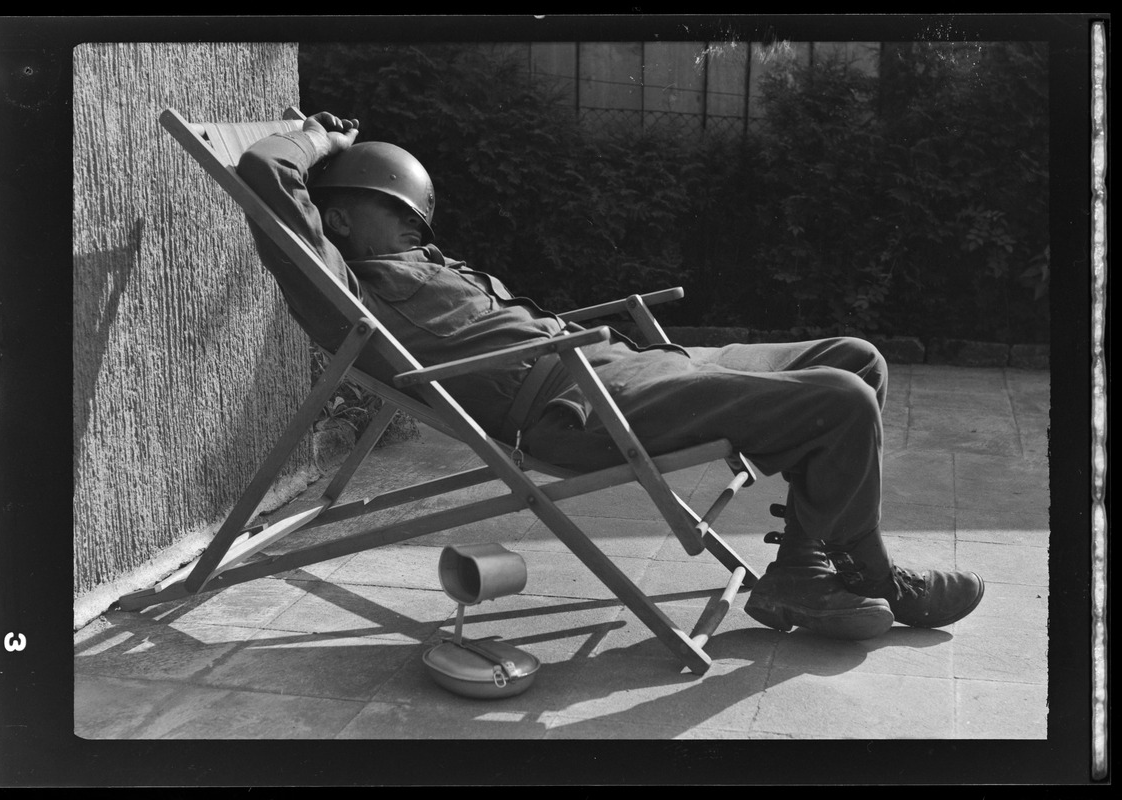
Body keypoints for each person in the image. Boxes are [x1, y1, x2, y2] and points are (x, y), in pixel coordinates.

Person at [237, 111, 985, 641]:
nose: (415, 226)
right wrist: (321, 136)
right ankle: (848, 575)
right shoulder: (344, 290)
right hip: (583, 410)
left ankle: (824, 560)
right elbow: (261, 171)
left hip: (621, 369)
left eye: (417, 218)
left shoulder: (421, 266)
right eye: (393, 210)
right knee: (842, 402)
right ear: (333, 222)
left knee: (855, 357)